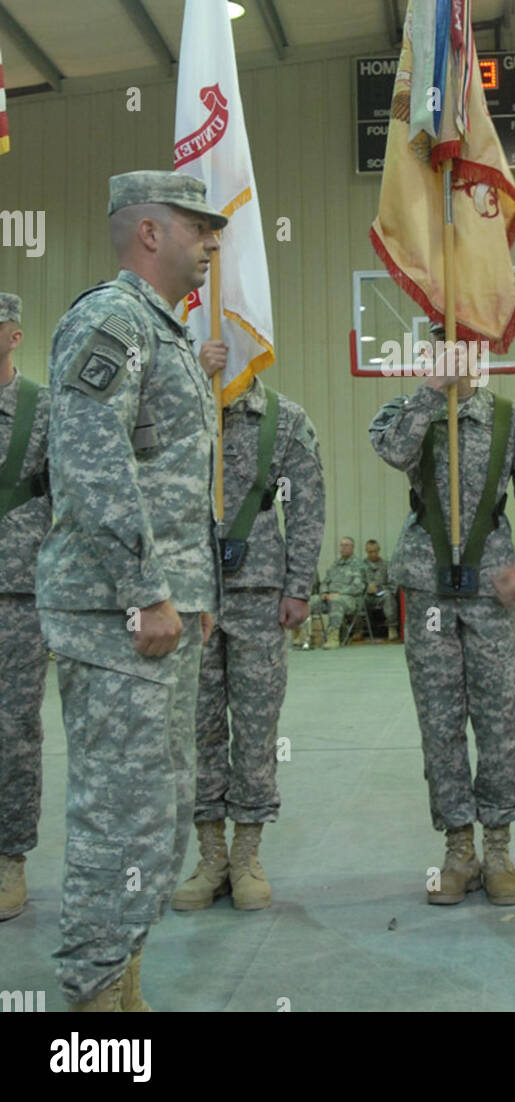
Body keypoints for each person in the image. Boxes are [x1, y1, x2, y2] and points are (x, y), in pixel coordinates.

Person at [36, 170, 224, 1012]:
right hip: (118, 617)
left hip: (158, 615)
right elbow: (89, 460)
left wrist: (193, 590)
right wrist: (147, 590)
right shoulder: (110, 321)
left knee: (159, 807)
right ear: (149, 232)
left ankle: (121, 977)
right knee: (120, 814)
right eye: (198, 226)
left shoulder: (166, 332)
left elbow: (172, 480)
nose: (212, 241)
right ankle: (91, 1003)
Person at [369, 327, 515, 906]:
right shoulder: (409, 411)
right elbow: (393, 451)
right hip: (428, 588)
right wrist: (430, 390)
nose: (454, 353)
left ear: (483, 352)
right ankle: (458, 848)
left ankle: (498, 848)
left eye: (465, 344)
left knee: (497, 719)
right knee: (440, 723)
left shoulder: (509, 419)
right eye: (441, 343)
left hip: (490, 589)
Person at [172, 352, 325, 912]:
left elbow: (307, 504)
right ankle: (210, 856)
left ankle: (247, 855)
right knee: (198, 728)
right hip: (189, 593)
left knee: (258, 726)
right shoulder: (176, 407)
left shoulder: (284, 419)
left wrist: (299, 586)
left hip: (260, 593)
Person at [0, 293, 51, 921]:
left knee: (13, 731)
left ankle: (9, 858)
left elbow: (75, 489)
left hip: (19, 593)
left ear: (13, 335)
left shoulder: (42, 410)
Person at [307, 538, 366, 648]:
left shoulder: (358, 565)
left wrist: (339, 593)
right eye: (342, 545)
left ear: (352, 548)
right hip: (329, 597)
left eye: (347, 545)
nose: (343, 548)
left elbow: (358, 587)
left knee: (336, 601)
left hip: (350, 599)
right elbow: (325, 582)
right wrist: (324, 592)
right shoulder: (335, 565)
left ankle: (333, 638)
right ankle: (304, 638)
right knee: (310, 601)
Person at [363, 538, 398, 640]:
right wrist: (366, 588)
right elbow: (355, 583)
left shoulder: (387, 565)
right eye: (370, 552)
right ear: (366, 551)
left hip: (381, 595)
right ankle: (358, 630)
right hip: (365, 596)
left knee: (388, 596)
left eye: (375, 551)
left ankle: (392, 627)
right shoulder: (360, 566)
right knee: (355, 600)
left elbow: (393, 585)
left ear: (379, 550)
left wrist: (379, 588)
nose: (373, 554)